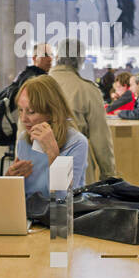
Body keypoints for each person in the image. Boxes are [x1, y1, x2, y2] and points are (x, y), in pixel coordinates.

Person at [7, 76, 88, 197]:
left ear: (51, 111)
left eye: (31, 112)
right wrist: (10, 177)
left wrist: (53, 154)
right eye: (20, 110)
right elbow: (18, 196)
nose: (23, 119)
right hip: (30, 212)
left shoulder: (76, 142)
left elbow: (64, 199)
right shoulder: (24, 139)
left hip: (60, 213)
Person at [49, 37, 115, 183]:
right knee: (75, 203)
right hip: (76, 160)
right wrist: (108, 174)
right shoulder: (87, 89)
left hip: (41, 159)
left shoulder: (36, 86)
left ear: (57, 57)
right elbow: (100, 137)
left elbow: (23, 130)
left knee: (45, 204)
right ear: (81, 60)